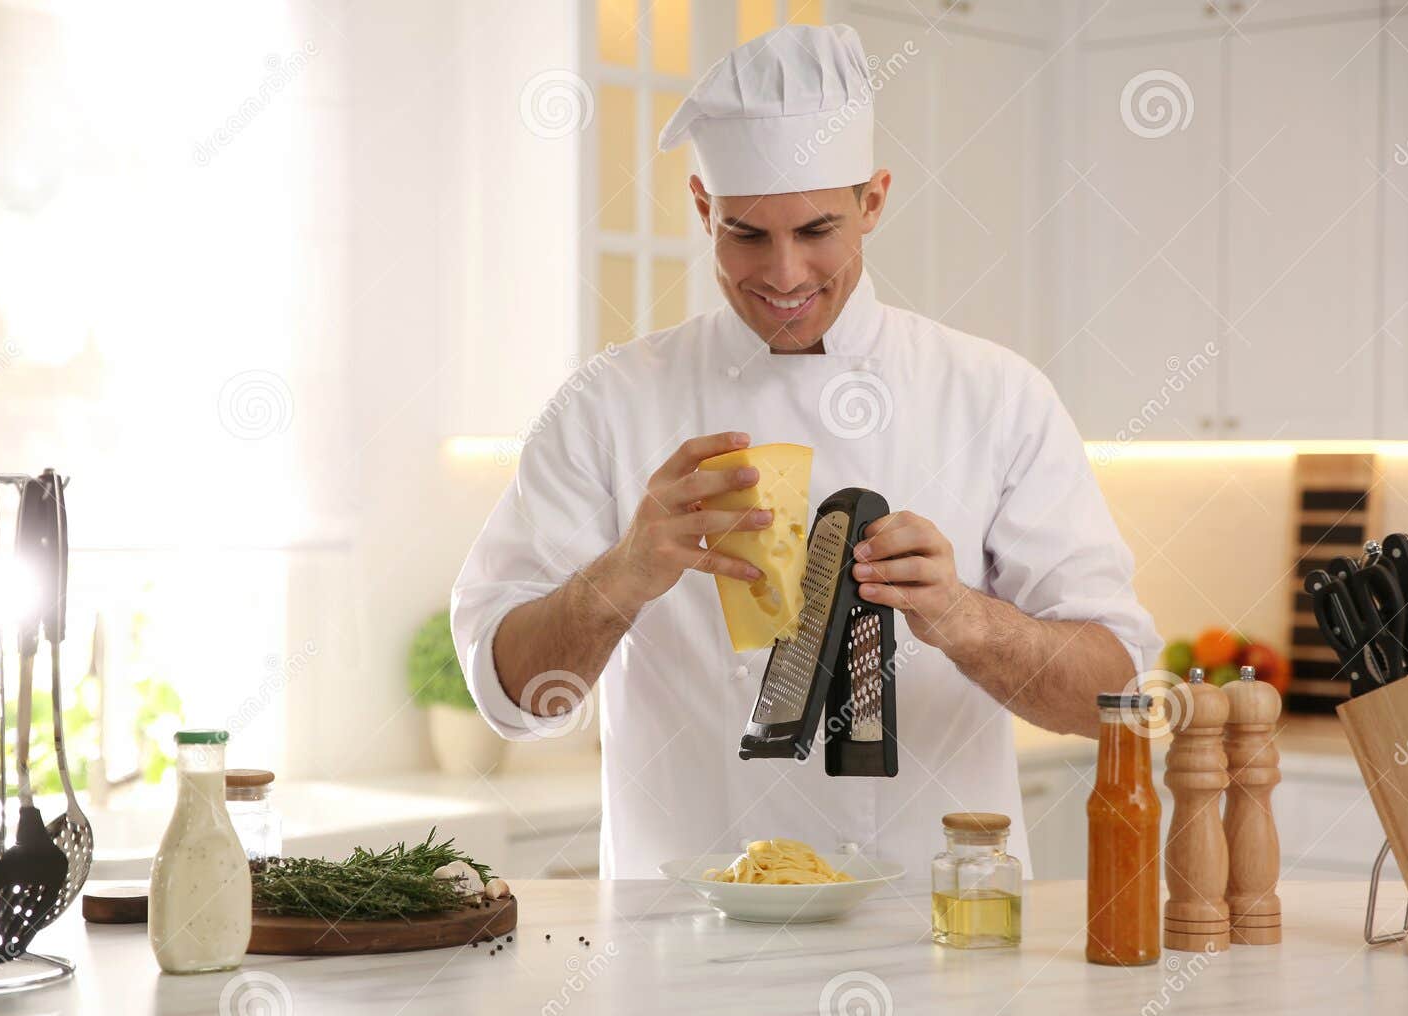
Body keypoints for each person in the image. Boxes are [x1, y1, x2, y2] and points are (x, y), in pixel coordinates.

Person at [452, 24, 1159, 877]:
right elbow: (512, 698)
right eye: (747, 234)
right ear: (705, 209)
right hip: (683, 946)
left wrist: (963, 618)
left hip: (937, 937)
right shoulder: (609, 401)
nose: (785, 274)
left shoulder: (996, 397)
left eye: (817, 229)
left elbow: (1116, 698)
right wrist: (626, 570)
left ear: (875, 201)